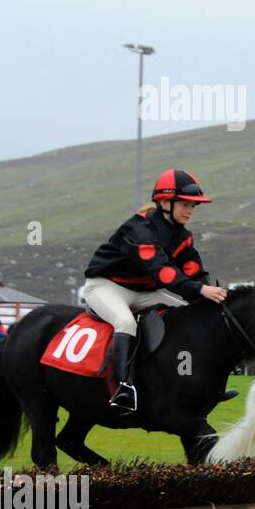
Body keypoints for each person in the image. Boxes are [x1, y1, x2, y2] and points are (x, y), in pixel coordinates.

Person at [83, 169, 226, 412]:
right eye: (185, 204)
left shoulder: (183, 236)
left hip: (143, 291)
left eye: (193, 205)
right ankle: (124, 389)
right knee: (125, 322)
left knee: (188, 315)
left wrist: (212, 292)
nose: (190, 210)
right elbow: (163, 273)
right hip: (106, 287)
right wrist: (200, 289)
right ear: (164, 202)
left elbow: (194, 271)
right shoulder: (139, 229)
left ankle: (203, 384)